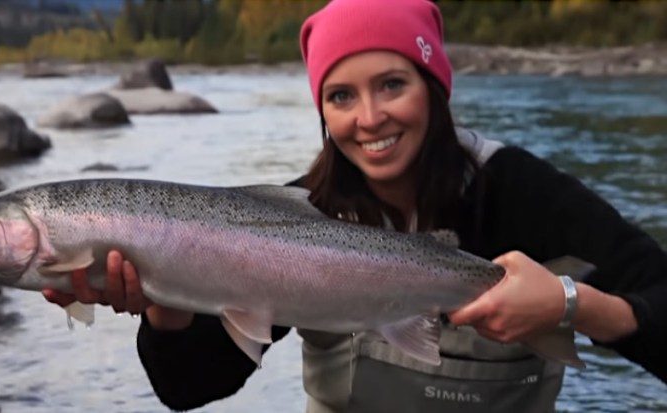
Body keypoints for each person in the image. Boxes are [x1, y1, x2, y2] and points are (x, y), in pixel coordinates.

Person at [43, 0, 667, 411]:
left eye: (392, 85)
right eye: (341, 96)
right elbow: (191, 389)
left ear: (434, 88)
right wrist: (166, 308)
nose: (369, 119)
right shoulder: (294, 217)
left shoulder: (518, 189)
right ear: (322, 111)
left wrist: (574, 304)